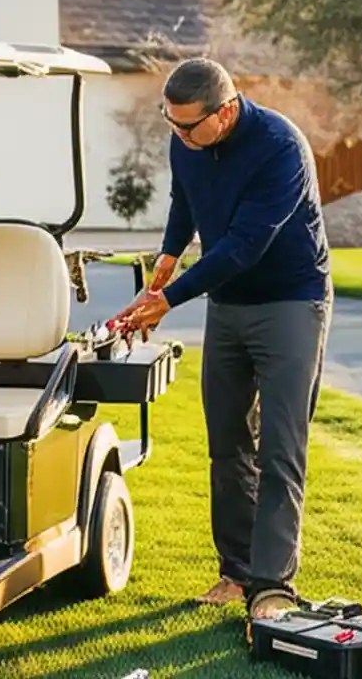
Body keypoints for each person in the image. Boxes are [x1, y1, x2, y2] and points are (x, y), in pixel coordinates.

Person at [114, 58, 333, 620]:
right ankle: (236, 574)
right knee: (228, 442)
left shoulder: (280, 148)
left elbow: (242, 247)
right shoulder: (185, 141)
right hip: (229, 306)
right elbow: (185, 203)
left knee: (282, 446)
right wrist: (166, 258)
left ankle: (273, 587)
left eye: (189, 126)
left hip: (290, 301)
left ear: (227, 110)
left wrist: (169, 300)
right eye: (172, 125)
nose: (180, 137)